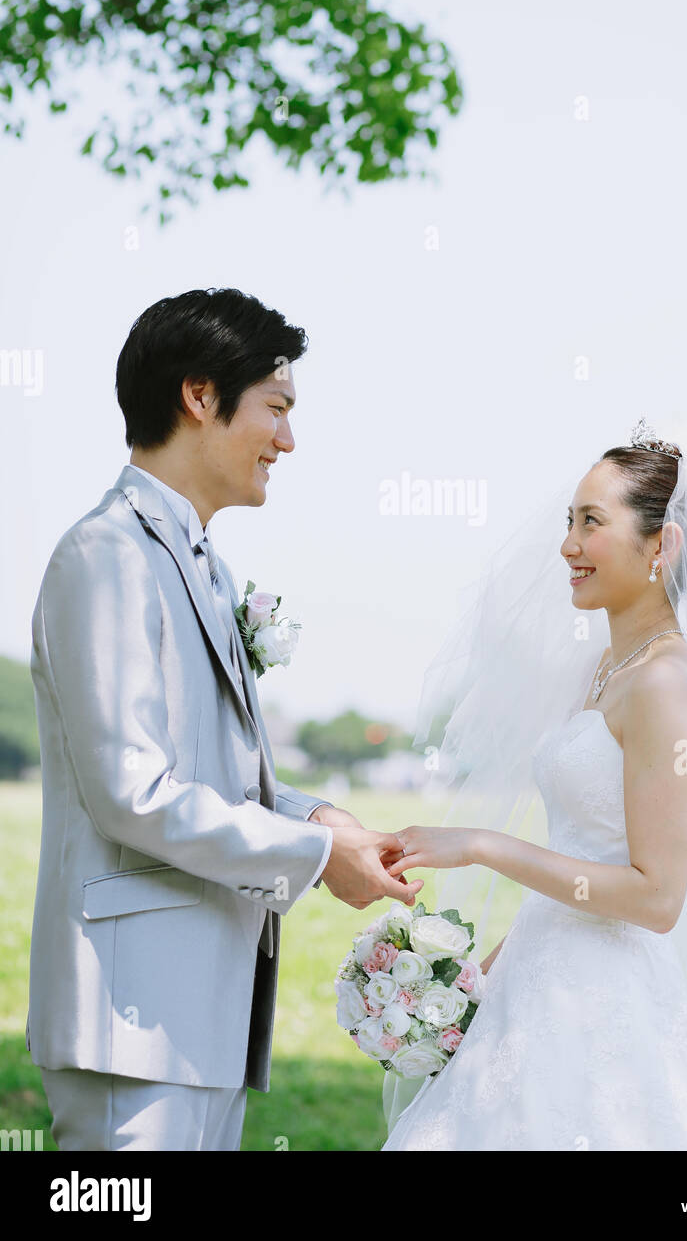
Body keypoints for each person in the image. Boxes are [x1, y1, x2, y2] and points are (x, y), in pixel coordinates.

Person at [26, 286, 422, 1151]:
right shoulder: (108, 555)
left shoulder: (202, 563)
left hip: (203, 1016)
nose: (288, 439)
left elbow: (220, 778)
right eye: (276, 409)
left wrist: (320, 819)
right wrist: (319, 858)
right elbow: (133, 792)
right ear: (200, 398)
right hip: (130, 1024)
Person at [380, 418, 687, 1150]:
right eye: (569, 521)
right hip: (536, 986)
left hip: (606, 1016)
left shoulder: (667, 684)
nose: (566, 546)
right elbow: (579, 855)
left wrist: (483, 846)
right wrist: (469, 986)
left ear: (662, 545)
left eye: (591, 522)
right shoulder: (605, 671)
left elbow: (656, 898)